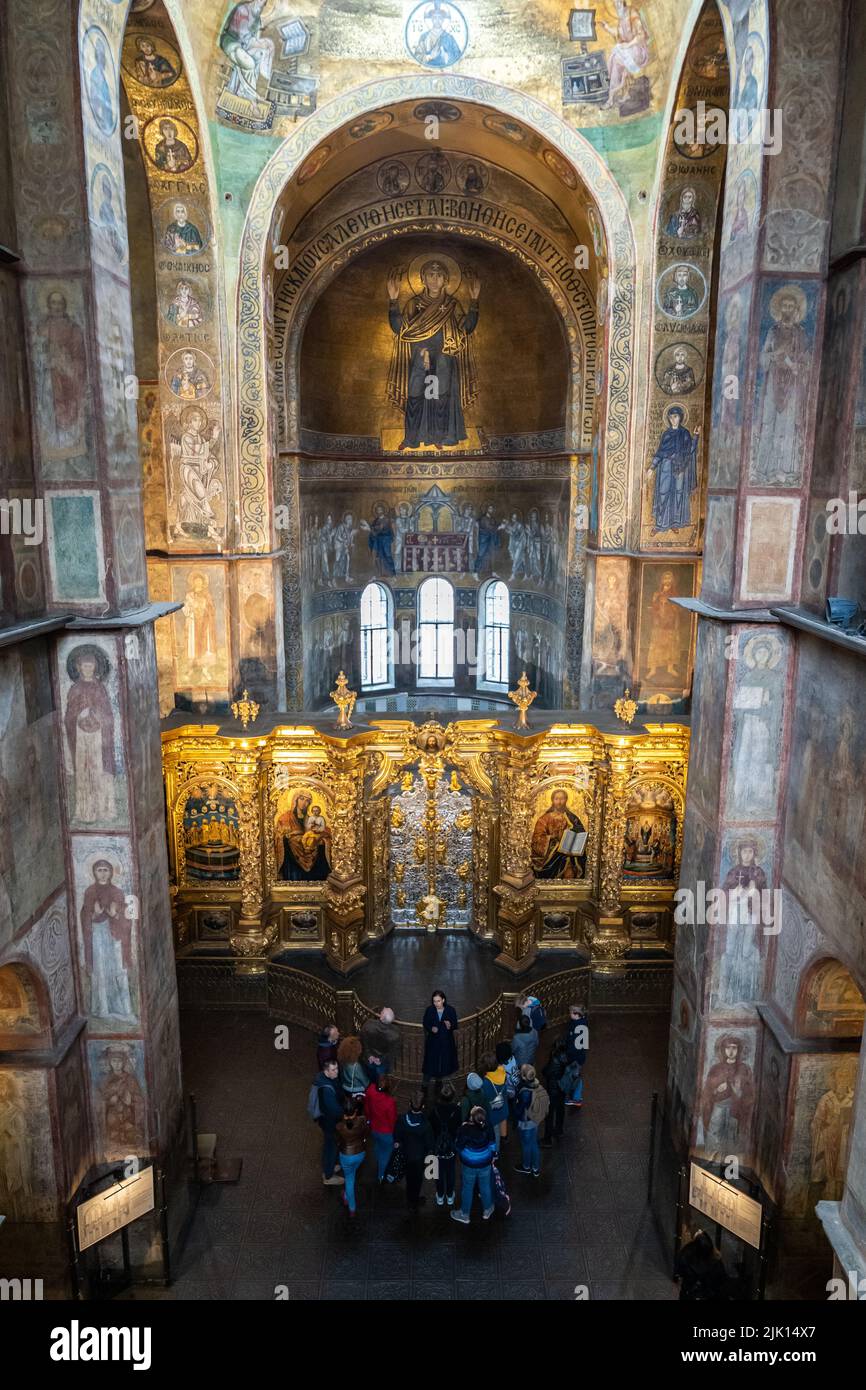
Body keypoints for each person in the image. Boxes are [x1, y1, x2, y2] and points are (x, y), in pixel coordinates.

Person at [451, 1105, 497, 1225]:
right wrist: (493, 1156)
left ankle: (464, 1214)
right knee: (485, 1186)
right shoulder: (488, 1126)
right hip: (485, 1162)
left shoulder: (465, 1128)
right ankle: (487, 1209)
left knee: (467, 1187)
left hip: (469, 1164)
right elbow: (492, 1144)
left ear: (472, 1118)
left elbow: (458, 1146)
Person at [394, 1094, 434, 1211]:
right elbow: (430, 1144)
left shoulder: (402, 1119)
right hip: (419, 1157)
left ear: (410, 1104)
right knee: (417, 1179)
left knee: (409, 1178)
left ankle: (409, 1197)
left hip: (406, 1154)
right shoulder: (426, 1125)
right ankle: (414, 1200)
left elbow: (397, 1136)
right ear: (423, 1107)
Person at [312, 1059, 344, 1186]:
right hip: (329, 1121)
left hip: (325, 1120)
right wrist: (345, 1113)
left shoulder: (324, 1078)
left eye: (337, 1068)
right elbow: (335, 1110)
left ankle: (329, 1166)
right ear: (326, 1071)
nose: (337, 1072)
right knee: (331, 1146)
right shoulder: (326, 1090)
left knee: (329, 1144)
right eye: (333, 1070)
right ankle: (328, 1175)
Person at [335, 1098, 369, 1216]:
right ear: (356, 1111)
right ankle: (346, 1194)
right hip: (360, 1154)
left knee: (349, 1179)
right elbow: (366, 1133)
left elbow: (338, 1141)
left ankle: (352, 1207)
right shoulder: (362, 1121)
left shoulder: (339, 1126)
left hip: (346, 1155)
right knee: (353, 1173)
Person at [431, 1080, 461, 1207]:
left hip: (436, 1146)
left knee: (436, 1172)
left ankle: (439, 1195)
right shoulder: (457, 1110)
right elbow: (459, 1127)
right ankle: (449, 1195)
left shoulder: (434, 1110)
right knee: (450, 1172)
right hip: (451, 1146)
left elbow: (431, 1127)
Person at [514, 1065, 548, 1177]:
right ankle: (536, 1168)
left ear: (523, 1077)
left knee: (526, 1144)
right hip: (535, 1119)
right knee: (534, 1143)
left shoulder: (524, 1092)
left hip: (526, 1122)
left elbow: (519, 1110)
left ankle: (526, 1166)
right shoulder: (537, 1085)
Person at [675, 1230, 729, 1301]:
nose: (699, 1230)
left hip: (691, 1292)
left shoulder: (687, 1253)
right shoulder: (715, 1261)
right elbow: (721, 1281)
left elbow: (680, 1270)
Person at [421, 989, 459, 1087]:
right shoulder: (430, 1010)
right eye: (434, 1001)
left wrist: (450, 1025)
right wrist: (431, 1028)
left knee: (442, 1062)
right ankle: (425, 1084)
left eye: (438, 1001)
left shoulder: (450, 1010)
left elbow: (455, 1025)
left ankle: (439, 1081)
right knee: (430, 1063)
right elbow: (425, 1023)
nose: (436, 1003)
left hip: (446, 1042)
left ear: (443, 1000)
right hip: (433, 1042)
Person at [365, 1073, 397, 1182]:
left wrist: (369, 1120)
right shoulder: (390, 1102)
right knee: (386, 1154)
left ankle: (377, 1162)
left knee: (377, 1146)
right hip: (386, 1133)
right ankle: (381, 1176)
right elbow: (392, 1120)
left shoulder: (370, 1090)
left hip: (374, 1127)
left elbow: (367, 1108)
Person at [361, 1006, 401, 1080]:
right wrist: (380, 1059)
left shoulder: (368, 1025)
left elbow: (363, 1040)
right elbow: (394, 1052)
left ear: (381, 1017)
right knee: (381, 1079)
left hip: (369, 1058)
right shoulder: (395, 1033)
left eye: (382, 1012)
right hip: (382, 1061)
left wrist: (369, 1055)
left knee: (369, 1077)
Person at [541, 1039, 569, 1146]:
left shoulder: (555, 1058)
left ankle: (547, 1139)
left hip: (553, 1089)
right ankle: (559, 1130)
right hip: (561, 1088)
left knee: (549, 1114)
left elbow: (547, 1072)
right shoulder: (566, 1056)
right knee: (560, 1109)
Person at [480, 1051, 509, 1151]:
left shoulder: (486, 1082)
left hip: (493, 1111)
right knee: (500, 1127)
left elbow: (485, 1098)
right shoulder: (502, 1072)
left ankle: (495, 1152)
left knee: (495, 1131)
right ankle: (502, 1142)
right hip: (503, 1106)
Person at [337, 1036, 370, 1101]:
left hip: (345, 1087)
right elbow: (365, 1082)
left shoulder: (343, 1059)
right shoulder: (356, 1066)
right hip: (356, 1091)